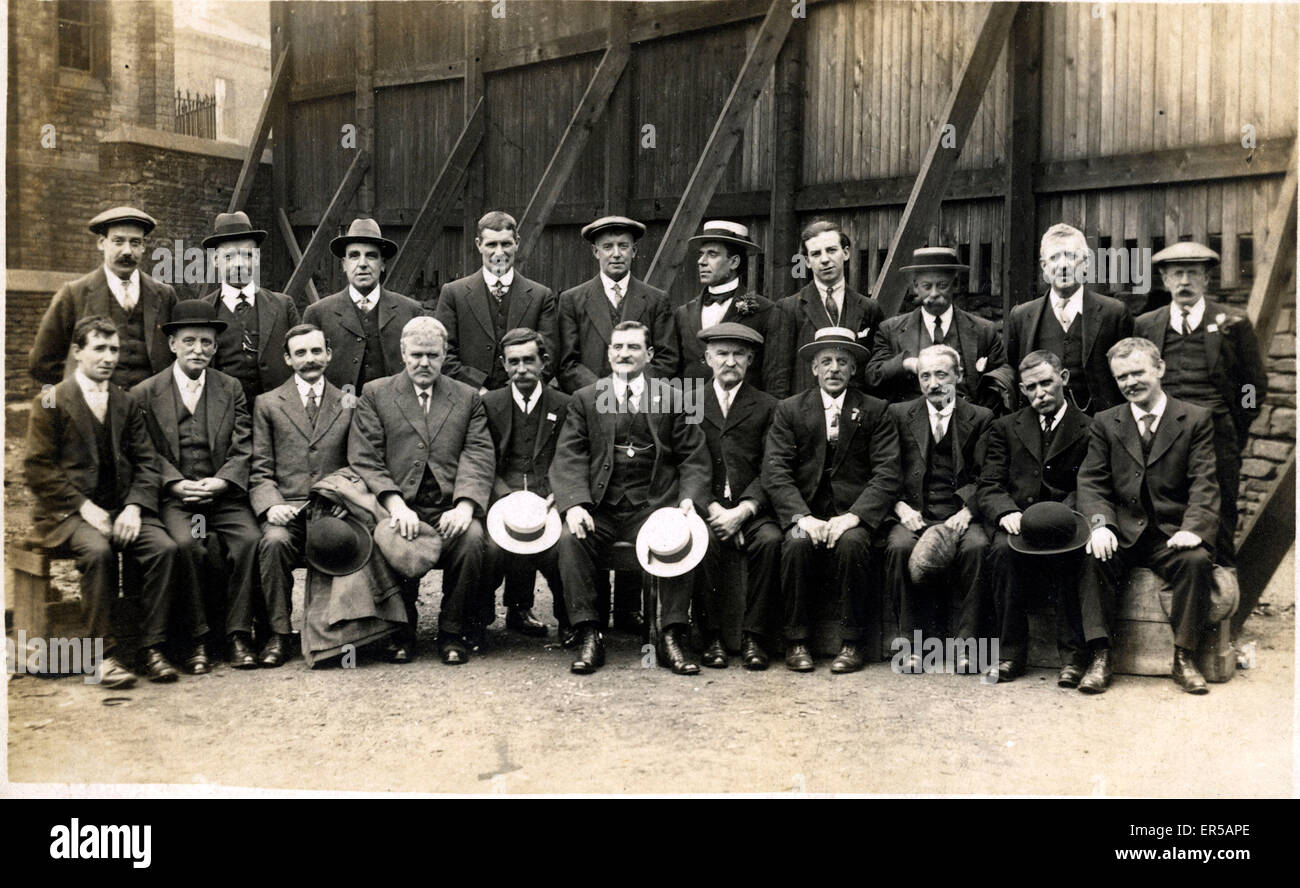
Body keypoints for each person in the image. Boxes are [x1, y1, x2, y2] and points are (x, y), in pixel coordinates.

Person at [24, 316, 198, 686]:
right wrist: (84, 508)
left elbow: (147, 461)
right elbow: (38, 469)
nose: (108, 357)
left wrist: (135, 507)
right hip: (68, 511)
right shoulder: (52, 399)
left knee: (164, 548)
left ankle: (151, 648)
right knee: (99, 552)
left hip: (122, 506)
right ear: (77, 352)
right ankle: (101, 657)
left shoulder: (124, 399)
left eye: (114, 349)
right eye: (99, 348)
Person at [549, 321, 713, 675]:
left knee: (680, 534)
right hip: (602, 507)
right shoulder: (587, 398)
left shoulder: (673, 397)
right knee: (570, 537)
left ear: (649, 355)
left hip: (652, 507)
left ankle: (671, 635)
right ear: (608, 353)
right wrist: (575, 503)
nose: (624, 353)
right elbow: (569, 456)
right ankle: (590, 632)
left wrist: (689, 501)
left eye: (634, 347)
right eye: (618, 347)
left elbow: (693, 457)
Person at [1076, 337, 1221, 694]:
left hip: (1169, 534)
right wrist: (1100, 525)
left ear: (1160, 369)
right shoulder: (1106, 422)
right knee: (1091, 555)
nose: (1130, 383)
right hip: (1122, 531)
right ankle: (1099, 655)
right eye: (1122, 377)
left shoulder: (1194, 419)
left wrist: (1194, 529)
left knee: (1196, 560)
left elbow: (1205, 482)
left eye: (1138, 372)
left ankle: (1185, 657)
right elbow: (1092, 481)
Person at [349, 316, 494, 664]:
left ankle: (452, 631)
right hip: (398, 503)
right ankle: (402, 631)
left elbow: (477, 453)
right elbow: (365, 455)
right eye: (416, 354)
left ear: (445, 355)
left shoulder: (467, 397)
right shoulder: (375, 393)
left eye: (432, 354)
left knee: (473, 538)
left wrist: (465, 505)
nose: (423, 363)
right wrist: (396, 505)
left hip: (447, 505)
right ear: (402, 353)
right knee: (390, 537)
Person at [130, 300, 262, 670]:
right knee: (188, 545)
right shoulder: (145, 393)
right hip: (178, 500)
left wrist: (221, 481)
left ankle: (237, 635)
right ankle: (198, 639)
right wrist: (174, 484)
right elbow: (144, 452)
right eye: (189, 341)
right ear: (172, 344)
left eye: (206, 343)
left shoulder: (230, 388)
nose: (198, 350)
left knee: (250, 541)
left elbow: (244, 445)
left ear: (216, 347)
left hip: (222, 498)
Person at [762, 328, 902, 673]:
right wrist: (801, 517)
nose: (834, 368)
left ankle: (852, 643)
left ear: (854, 369)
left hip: (852, 516)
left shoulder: (875, 409)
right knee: (795, 544)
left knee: (853, 545)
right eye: (826, 361)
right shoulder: (790, 410)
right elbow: (775, 470)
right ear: (813, 368)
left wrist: (854, 516)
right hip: (808, 513)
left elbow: (887, 472)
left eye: (842, 361)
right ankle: (797, 641)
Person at [1134, 242, 1267, 566]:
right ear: (1165, 281)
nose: (1184, 281)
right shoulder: (1146, 324)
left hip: (1216, 432)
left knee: (1220, 509)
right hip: (1165, 434)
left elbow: (1252, 383)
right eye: (1176, 274)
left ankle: (1220, 586)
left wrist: (1240, 421)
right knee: (1164, 507)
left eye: (1193, 273)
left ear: (1206, 280)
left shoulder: (1233, 322)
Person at [977, 350, 1097, 684]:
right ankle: (1009, 654)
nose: (1039, 393)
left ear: (1064, 379)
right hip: (1018, 521)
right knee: (1001, 551)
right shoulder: (1005, 428)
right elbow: (989, 484)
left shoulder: (1089, 428)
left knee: (1074, 556)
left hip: (1066, 521)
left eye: (1046, 383)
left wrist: (1066, 514)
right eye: (1030, 388)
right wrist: (1006, 511)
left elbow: (1090, 482)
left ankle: (1073, 658)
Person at [883, 345, 993, 671]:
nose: (933, 383)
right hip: (914, 511)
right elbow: (884, 471)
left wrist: (970, 510)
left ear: (958, 376)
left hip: (959, 513)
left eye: (941, 374)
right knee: (898, 546)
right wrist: (900, 507)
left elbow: (988, 474)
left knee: (977, 547)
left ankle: (967, 646)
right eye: (925, 376)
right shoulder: (898, 414)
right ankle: (912, 644)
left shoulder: (981, 418)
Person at [249, 323, 353, 667]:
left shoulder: (350, 402)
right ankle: (279, 634)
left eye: (316, 351)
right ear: (288, 359)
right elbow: (260, 468)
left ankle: (343, 634)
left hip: (333, 508)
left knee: (350, 542)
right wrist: (271, 506)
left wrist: (343, 499)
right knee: (274, 542)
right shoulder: (267, 404)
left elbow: (360, 462)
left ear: (329, 354)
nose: (310, 359)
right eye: (301, 353)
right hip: (287, 509)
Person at [694, 323, 782, 670]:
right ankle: (711, 636)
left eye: (738, 355)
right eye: (722, 354)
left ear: (750, 360)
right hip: (708, 507)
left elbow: (772, 466)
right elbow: (684, 461)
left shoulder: (768, 406)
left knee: (771, 541)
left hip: (752, 507)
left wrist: (744, 510)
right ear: (708, 358)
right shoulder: (691, 402)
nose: (730, 362)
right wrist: (713, 507)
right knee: (701, 542)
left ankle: (754, 636)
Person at [478, 328, 573, 644]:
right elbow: (481, 461)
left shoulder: (565, 404)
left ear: (544, 362)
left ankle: (569, 619)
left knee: (563, 544)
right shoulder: (489, 404)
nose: (521, 369)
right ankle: (485, 615)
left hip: (549, 500)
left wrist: (559, 493)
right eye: (513, 362)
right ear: (504, 365)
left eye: (529, 360)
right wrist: (504, 498)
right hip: (502, 501)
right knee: (490, 547)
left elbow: (572, 457)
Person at [30, 207, 177, 389]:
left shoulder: (164, 294)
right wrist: (82, 389)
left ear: (144, 246)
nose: (127, 251)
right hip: (97, 410)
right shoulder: (74, 294)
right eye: (118, 241)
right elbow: (42, 362)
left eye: (135, 242)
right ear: (101, 243)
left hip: (151, 409)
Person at [1004, 223, 1133, 414]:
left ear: (1086, 263)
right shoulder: (1022, 316)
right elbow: (1015, 371)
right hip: (1042, 425)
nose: (1063, 265)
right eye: (1054, 257)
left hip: (1097, 425)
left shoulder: (1113, 313)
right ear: (1044, 267)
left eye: (1071, 256)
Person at [435, 210, 558, 392]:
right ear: (479, 245)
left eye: (506, 244)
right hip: (469, 398)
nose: (499, 252)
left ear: (516, 243)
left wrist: (511, 393)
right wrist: (477, 388)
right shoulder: (453, 293)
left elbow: (549, 356)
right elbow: (442, 353)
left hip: (521, 397)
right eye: (492, 244)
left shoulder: (541, 296)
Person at [866, 246, 1008, 404]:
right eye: (927, 286)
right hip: (910, 424)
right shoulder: (890, 330)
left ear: (955, 285)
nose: (934, 293)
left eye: (942, 286)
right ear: (915, 287)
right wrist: (906, 363)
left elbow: (1002, 379)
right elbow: (873, 376)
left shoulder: (984, 331)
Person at [301, 218, 425, 393]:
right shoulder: (318, 314)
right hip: (342, 411)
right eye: (354, 255)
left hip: (393, 414)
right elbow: (308, 376)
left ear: (382, 264)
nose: (362, 264)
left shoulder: (411, 311)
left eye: (371, 256)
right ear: (344, 264)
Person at [556, 215, 678, 392]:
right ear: (595, 252)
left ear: (634, 251)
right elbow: (567, 363)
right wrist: (604, 392)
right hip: (593, 404)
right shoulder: (572, 300)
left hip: (641, 404)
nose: (616, 254)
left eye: (623, 246)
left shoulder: (656, 299)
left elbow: (667, 359)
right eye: (607, 247)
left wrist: (633, 389)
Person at [766, 220, 884, 398]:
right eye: (815, 254)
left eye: (831, 250)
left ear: (845, 253)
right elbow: (777, 379)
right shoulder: (788, 309)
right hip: (805, 416)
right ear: (807, 261)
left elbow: (876, 370)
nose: (824, 260)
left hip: (855, 415)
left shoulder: (868, 308)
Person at [198, 211, 301, 409]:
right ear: (215, 261)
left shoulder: (283, 305)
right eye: (229, 257)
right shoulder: (205, 311)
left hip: (278, 416)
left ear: (256, 258)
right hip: (225, 417)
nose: (239, 263)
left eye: (246, 255)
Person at [673, 220, 776, 390]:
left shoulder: (764, 310)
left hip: (743, 411)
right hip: (693, 410)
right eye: (701, 254)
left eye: (712, 254)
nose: (701, 261)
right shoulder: (683, 313)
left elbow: (772, 374)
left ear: (734, 262)